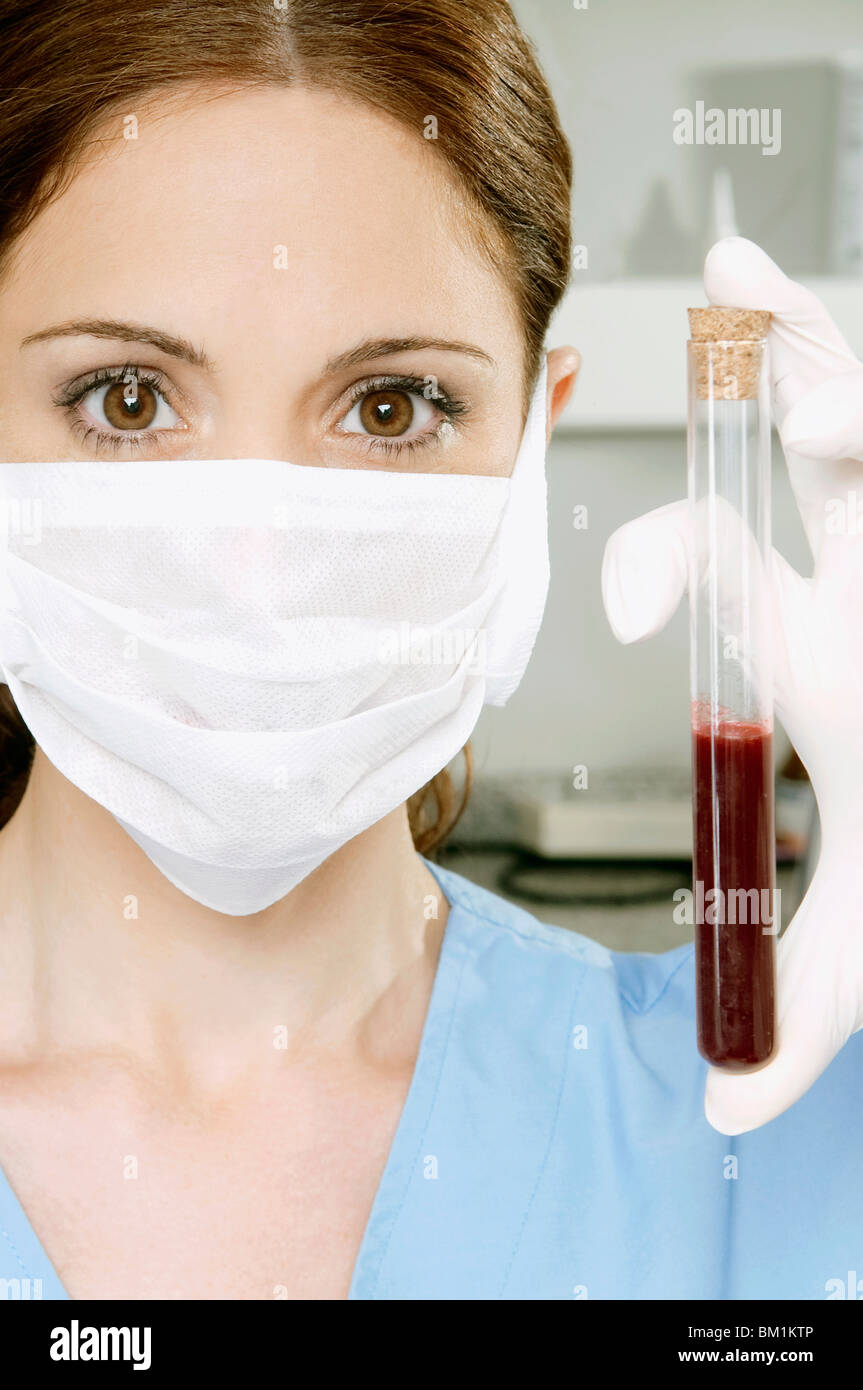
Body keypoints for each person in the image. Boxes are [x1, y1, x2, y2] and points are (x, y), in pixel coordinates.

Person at [0, 0, 860, 1303]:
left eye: (389, 407)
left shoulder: (764, 1101)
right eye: (129, 399)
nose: (260, 567)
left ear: (536, 442)